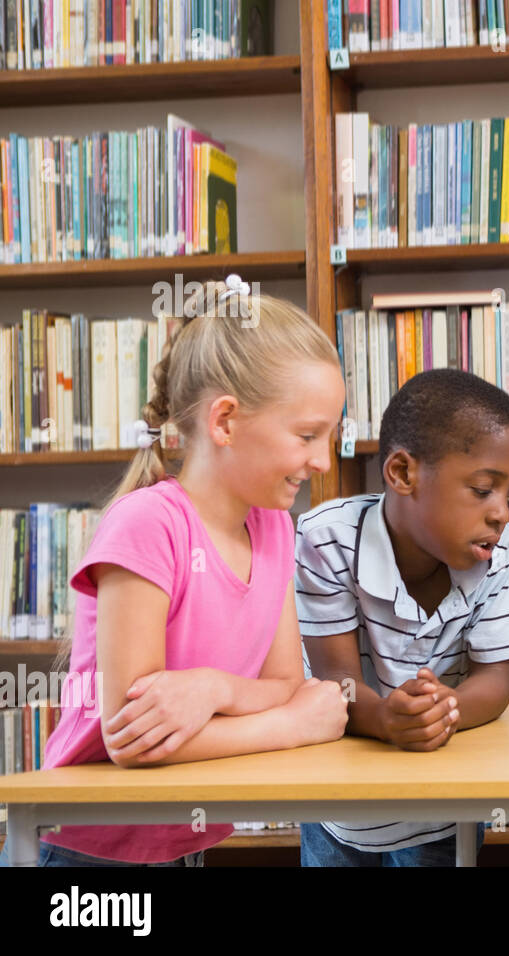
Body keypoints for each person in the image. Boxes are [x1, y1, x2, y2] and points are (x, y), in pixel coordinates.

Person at [0, 279, 350, 867]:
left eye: (330, 437)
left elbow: (286, 686)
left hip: (184, 838)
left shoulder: (274, 529)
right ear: (225, 422)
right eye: (308, 435)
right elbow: (135, 741)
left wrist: (212, 689)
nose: (322, 461)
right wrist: (291, 725)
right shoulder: (147, 526)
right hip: (85, 847)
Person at [294, 368, 509, 866]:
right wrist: (384, 718)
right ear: (403, 474)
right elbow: (333, 679)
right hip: (337, 808)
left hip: (447, 813)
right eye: (483, 489)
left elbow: (495, 680)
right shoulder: (327, 540)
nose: (502, 515)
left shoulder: (505, 550)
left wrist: (444, 710)